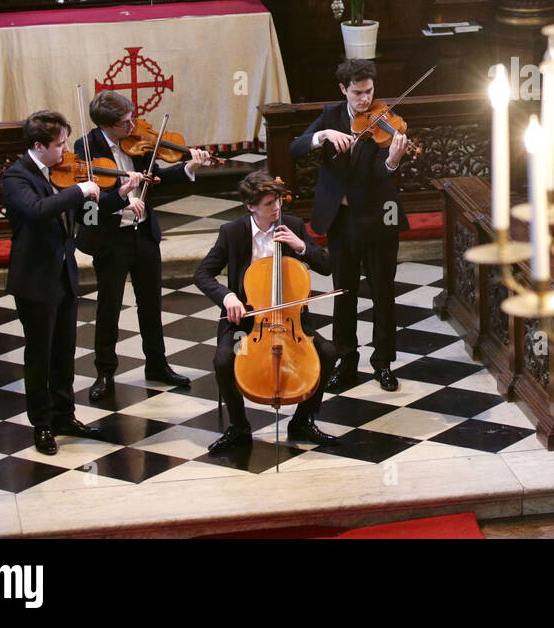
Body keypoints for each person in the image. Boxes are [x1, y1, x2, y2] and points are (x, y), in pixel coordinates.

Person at [74, 91, 211, 400]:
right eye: (125, 122)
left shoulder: (137, 141)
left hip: (143, 235)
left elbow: (157, 177)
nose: (133, 125)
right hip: (111, 240)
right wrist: (121, 199)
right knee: (109, 307)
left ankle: (157, 365)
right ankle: (105, 372)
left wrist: (190, 166)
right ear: (107, 127)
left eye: (132, 117)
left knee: (151, 304)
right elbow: (87, 208)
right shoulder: (85, 148)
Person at [193, 171, 338, 452]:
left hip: (289, 320)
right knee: (224, 360)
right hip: (246, 320)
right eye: (270, 204)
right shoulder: (232, 232)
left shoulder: (292, 225)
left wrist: (301, 246)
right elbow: (203, 274)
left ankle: (302, 421)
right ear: (251, 207)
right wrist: (228, 297)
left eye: (278, 201)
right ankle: (239, 427)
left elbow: (326, 265)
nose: (277, 209)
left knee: (328, 353)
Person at [289, 59, 410, 393]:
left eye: (369, 91)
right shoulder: (330, 116)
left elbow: (382, 174)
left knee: (383, 293)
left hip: (379, 218)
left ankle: (383, 363)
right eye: (357, 93)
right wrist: (322, 135)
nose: (364, 100)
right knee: (345, 293)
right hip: (342, 221)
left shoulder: (386, 121)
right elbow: (295, 147)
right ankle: (346, 360)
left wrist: (393, 160)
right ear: (343, 89)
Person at [1, 111, 103, 456]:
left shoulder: (59, 173)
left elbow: (79, 203)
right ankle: (42, 424)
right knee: (39, 355)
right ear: (38, 146)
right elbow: (37, 210)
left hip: (63, 275)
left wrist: (122, 192)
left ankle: (64, 415)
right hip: (35, 280)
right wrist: (79, 190)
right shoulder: (16, 177)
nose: (65, 151)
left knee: (64, 351)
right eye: (59, 145)